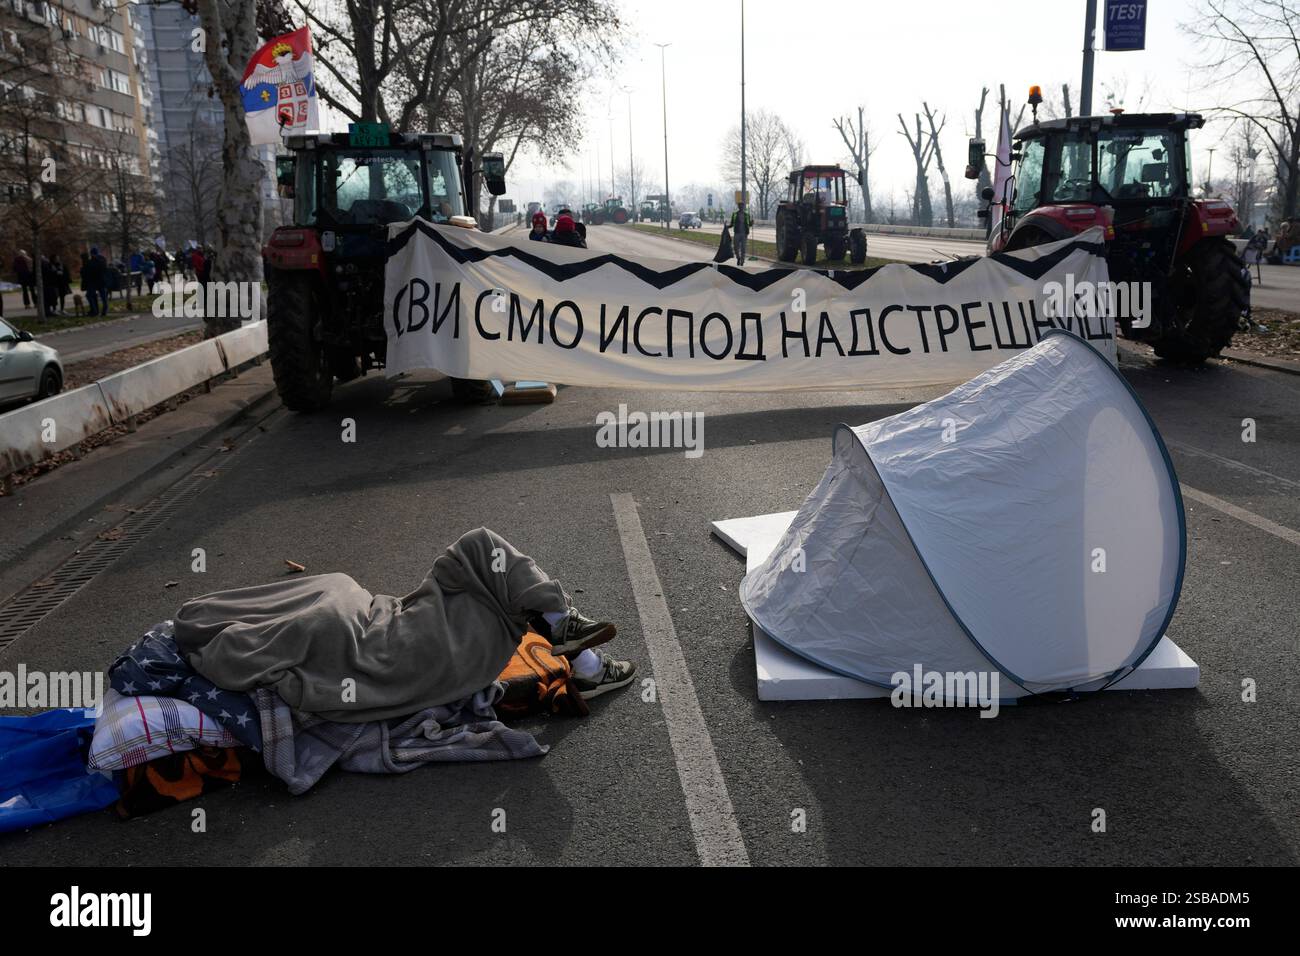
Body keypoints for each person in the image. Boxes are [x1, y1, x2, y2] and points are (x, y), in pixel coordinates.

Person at [170, 527, 637, 713]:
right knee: (480, 550)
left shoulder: (243, 625)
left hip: (405, 626)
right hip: (405, 646)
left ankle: (570, 638)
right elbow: (248, 657)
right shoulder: (257, 636)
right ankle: (571, 638)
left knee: (488, 571)